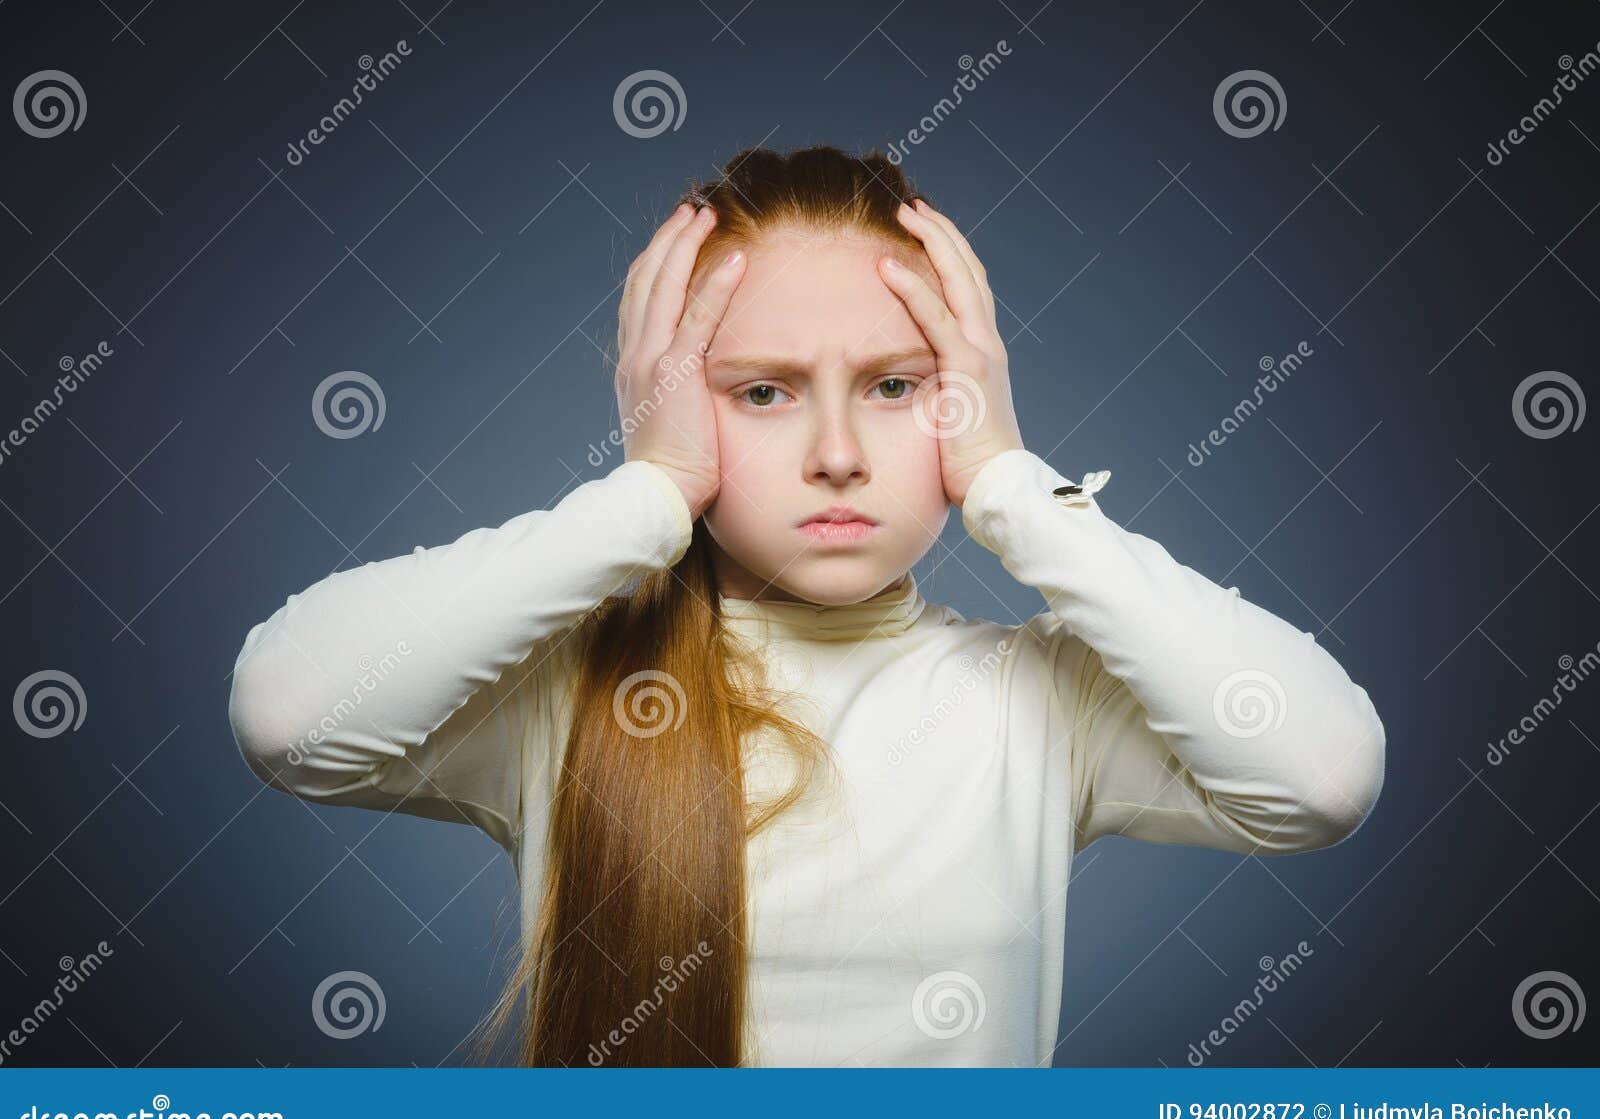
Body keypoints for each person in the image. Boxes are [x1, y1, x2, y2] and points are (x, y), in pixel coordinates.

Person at [226, 145, 1385, 1068]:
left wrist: (1012, 484)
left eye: (895, 387)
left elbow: (1321, 777)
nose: (838, 453)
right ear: (672, 401)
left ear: (965, 398)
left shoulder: (1043, 699)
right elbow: (291, 718)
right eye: (764, 391)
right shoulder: (566, 697)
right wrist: (645, 493)